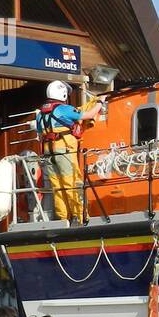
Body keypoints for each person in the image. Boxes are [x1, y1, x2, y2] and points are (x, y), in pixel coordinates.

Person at [35, 79, 101, 224]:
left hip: (48, 155)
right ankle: (79, 216)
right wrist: (99, 103)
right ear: (63, 94)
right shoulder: (64, 109)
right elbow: (88, 115)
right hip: (64, 152)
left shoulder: (40, 114)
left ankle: (63, 218)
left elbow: (40, 134)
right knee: (72, 184)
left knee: (57, 187)